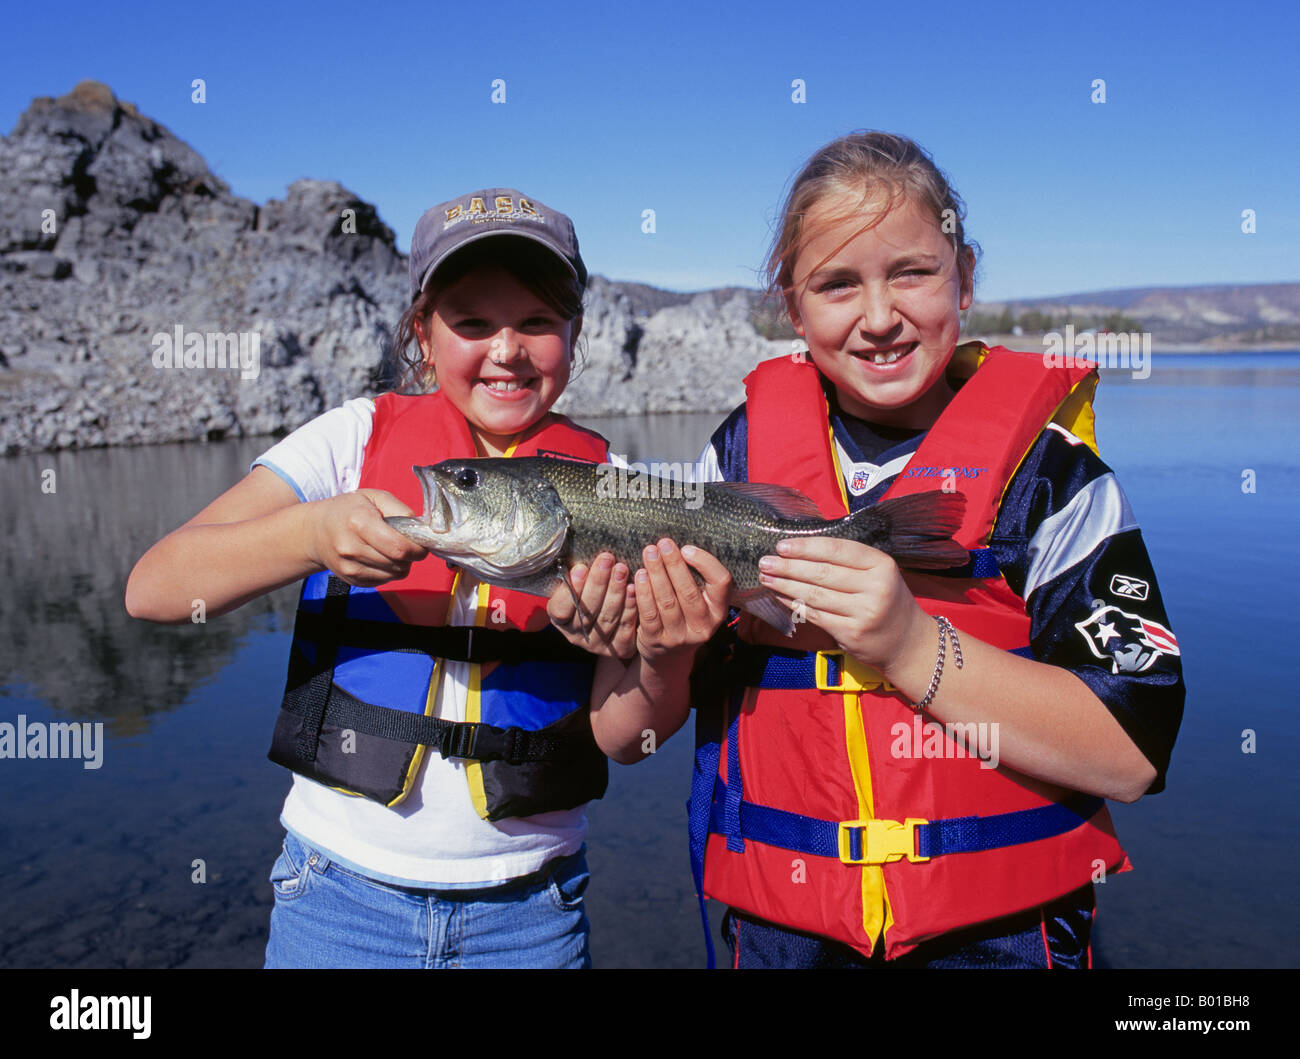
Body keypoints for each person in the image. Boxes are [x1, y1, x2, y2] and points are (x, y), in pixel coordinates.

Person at [124, 188, 729, 969]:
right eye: (472, 323)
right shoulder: (349, 439)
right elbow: (154, 586)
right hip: (335, 899)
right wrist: (310, 532)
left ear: (576, 337)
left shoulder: (615, 489)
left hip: (531, 912)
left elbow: (626, 738)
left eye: (537, 322)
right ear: (423, 333)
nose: (506, 349)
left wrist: (666, 652)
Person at [679, 133, 1185, 968]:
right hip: (781, 934)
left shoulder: (1055, 481)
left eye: (911, 272)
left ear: (966, 277)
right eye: (837, 284)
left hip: (1002, 939)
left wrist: (912, 644)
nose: (879, 317)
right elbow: (651, 714)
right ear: (793, 307)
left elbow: (1132, 753)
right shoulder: (729, 463)